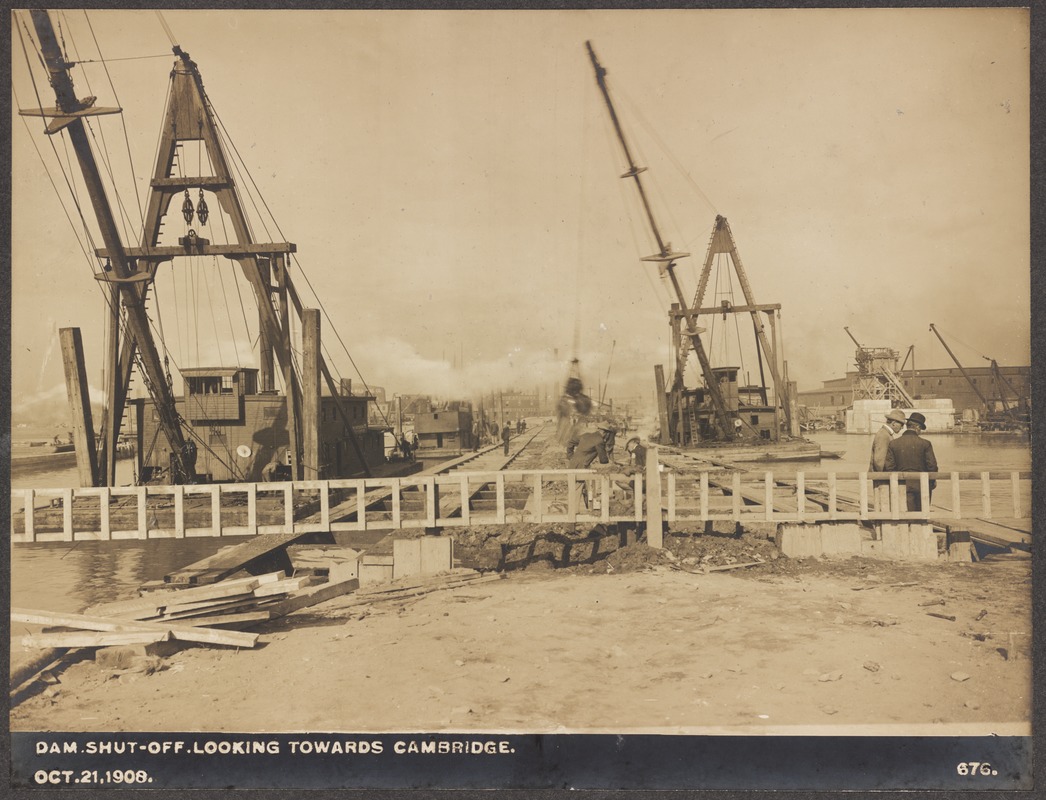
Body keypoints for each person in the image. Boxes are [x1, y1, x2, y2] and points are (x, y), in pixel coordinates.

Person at [885, 411, 938, 512]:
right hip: (922, 485)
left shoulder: (893, 444)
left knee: (903, 513)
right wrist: (932, 482)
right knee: (922, 514)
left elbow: (889, 467)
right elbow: (932, 466)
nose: (920, 431)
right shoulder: (925, 444)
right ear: (917, 427)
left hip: (901, 485)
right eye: (920, 429)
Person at [870, 409, 907, 511]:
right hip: (883, 478)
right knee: (884, 505)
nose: (902, 427)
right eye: (901, 424)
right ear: (894, 423)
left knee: (884, 506)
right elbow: (879, 461)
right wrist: (886, 477)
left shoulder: (885, 434)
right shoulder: (883, 435)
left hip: (882, 478)